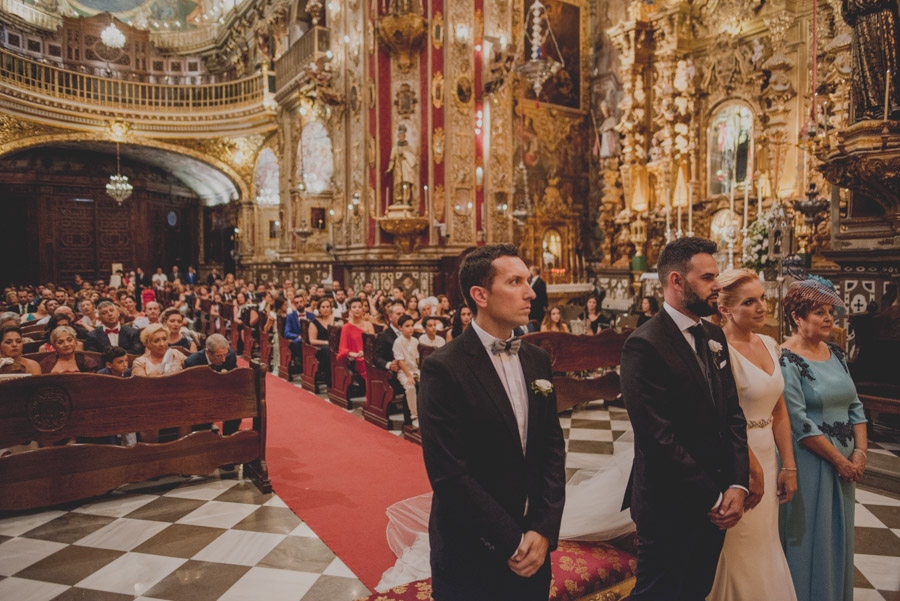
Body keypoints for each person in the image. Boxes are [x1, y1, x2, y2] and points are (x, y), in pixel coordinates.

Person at [419, 243, 566, 601]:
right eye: (515, 281)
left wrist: (542, 530)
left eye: (528, 281)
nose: (530, 292)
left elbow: (551, 449)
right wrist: (511, 541)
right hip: (472, 547)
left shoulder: (537, 360)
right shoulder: (443, 368)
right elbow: (449, 474)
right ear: (480, 295)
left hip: (534, 543)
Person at [620, 237, 749, 601]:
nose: (717, 286)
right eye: (708, 278)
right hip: (670, 504)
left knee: (696, 592)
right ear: (677, 281)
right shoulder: (644, 344)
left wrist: (737, 485)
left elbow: (732, 415)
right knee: (657, 594)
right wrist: (712, 497)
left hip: (721, 499)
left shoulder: (713, 335)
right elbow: (657, 437)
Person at [707, 269, 797, 601]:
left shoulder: (770, 343)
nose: (762, 307)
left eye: (763, 298)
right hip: (735, 457)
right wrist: (749, 467)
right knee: (738, 544)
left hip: (769, 456)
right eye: (750, 302)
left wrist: (788, 465)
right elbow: (717, 418)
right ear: (724, 309)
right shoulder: (719, 351)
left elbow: (779, 410)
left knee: (765, 541)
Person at [779, 278, 867, 601]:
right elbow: (799, 422)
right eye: (819, 312)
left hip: (845, 467)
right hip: (811, 463)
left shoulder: (837, 354)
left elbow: (856, 407)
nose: (829, 318)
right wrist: (840, 460)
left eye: (830, 311)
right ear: (797, 317)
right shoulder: (787, 359)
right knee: (811, 540)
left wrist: (860, 454)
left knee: (837, 537)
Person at [393, 315, 421, 428]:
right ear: (400, 327)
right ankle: (414, 416)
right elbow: (400, 362)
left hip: (415, 370)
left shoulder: (415, 340)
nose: (410, 328)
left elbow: (418, 359)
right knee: (410, 387)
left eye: (412, 326)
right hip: (404, 372)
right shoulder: (398, 342)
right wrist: (409, 376)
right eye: (407, 326)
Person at [338, 298, 375, 379]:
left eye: (359, 307)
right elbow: (343, 349)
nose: (357, 309)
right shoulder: (346, 327)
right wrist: (355, 354)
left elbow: (373, 343)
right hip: (357, 359)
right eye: (354, 307)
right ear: (350, 310)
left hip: (370, 356)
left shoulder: (368, 324)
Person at [310, 297, 339, 385]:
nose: (325, 309)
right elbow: (312, 340)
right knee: (327, 350)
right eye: (323, 307)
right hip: (321, 348)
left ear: (331, 308)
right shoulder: (314, 322)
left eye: (327, 307)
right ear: (319, 309)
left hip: (336, 345)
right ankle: (330, 380)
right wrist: (326, 342)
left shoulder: (337, 320)